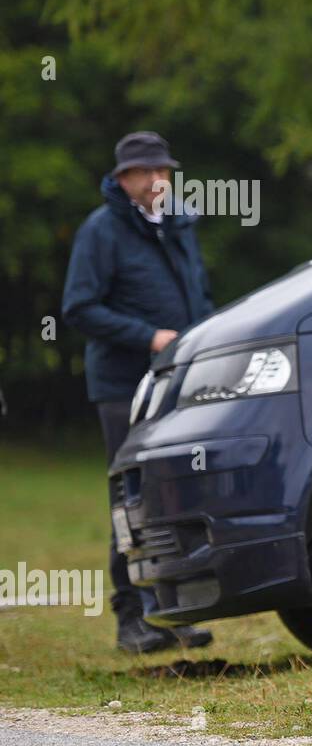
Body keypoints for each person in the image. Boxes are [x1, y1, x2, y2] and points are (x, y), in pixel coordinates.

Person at [62, 132, 216, 653]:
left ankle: (173, 610)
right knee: (129, 500)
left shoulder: (180, 224)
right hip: (122, 386)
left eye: (164, 171)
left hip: (177, 381)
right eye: (146, 172)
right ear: (123, 178)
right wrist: (147, 337)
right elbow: (79, 306)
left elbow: (200, 294)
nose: (158, 180)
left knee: (174, 491)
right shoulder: (101, 231)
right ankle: (131, 618)